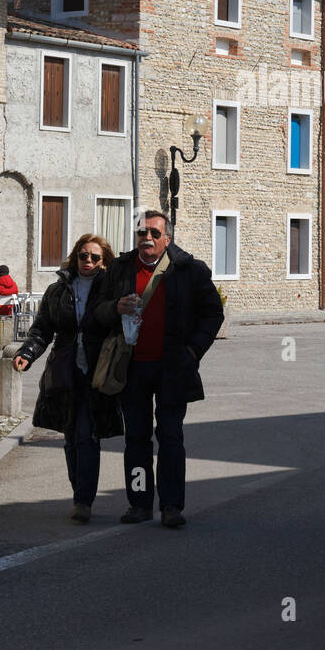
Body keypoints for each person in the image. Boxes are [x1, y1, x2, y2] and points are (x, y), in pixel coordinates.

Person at [94, 210, 223, 529]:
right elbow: (95, 311)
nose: (147, 238)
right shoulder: (120, 269)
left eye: (154, 233)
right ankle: (139, 504)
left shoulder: (189, 269)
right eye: (142, 233)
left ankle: (171, 506)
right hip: (131, 368)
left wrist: (192, 351)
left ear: (167, 238)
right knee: (136, 440)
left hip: (172, 368)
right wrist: (114, 308)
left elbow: (213, 313)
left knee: (170, 437)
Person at [12, 235, 122, 522]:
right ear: (75, 257)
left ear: (104, 261)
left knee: (87, 435)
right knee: (71, 437)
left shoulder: (110, 290)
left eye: (95, 257)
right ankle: (79, 494)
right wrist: (28, 353)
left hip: (98, 371)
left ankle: (83, 501)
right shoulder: (57, 291)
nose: (88, 261)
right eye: (83, 256)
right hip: (65, 371)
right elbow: (42, 330)